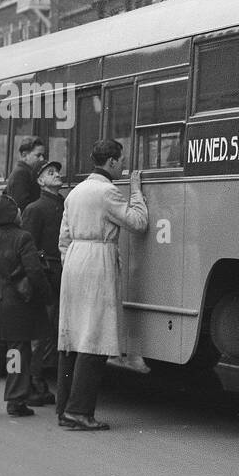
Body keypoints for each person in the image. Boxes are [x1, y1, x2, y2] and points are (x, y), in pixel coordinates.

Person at [56, 139, 148, 431]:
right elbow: (138, 222)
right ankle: (80, 412)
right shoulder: (107, 191)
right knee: (93, 337)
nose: (122, 166)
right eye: (121, 161)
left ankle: (64, 409)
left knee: (72, 337)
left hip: (73, 260)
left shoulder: (75, 192)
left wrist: (71, 262)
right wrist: (136, 191)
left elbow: (63, 238)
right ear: (110, 162)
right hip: (98, 259)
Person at [0, 194, 51, 418]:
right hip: (17, 308)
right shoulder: (23, 238)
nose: (20, 213)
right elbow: (33, 271)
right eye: (17, 210)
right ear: (11, 214)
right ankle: (15, 402)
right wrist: (46, 295)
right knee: (16, 352)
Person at [21, 160, 66, 406]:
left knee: (53, 330)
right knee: (40, 332)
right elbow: (27, 250)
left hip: (60, 274)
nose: (57, 174)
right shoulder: (35, 209)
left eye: (57, 171)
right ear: (40, 181)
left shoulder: (64, 204)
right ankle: (33, 382)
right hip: (45, 276)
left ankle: (39, 380)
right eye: (51, 173)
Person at [5, 137, 46, 211]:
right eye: (38, 155)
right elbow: (21, 206)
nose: (42, 159)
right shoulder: (21, 174)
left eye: (42, 155)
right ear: (24, 155)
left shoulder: (26, 172)